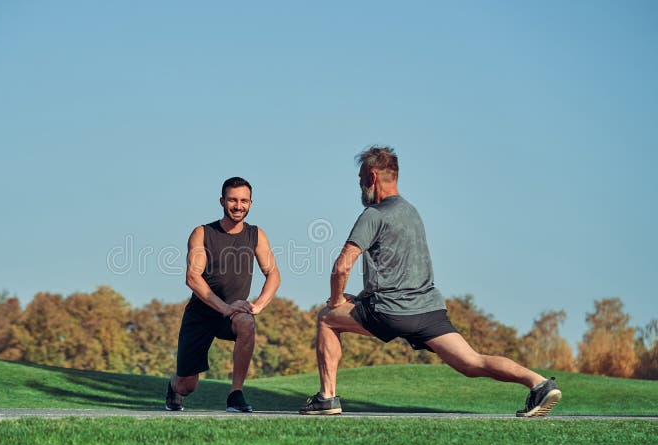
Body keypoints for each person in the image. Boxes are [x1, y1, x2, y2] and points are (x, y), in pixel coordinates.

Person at [299, 146, 562, 417]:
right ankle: (539, 384)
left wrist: (336, 300)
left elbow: (342, 266)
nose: (359, 183)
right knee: (471, 362)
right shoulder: (411, 212)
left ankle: (327, 398)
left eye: (361, 177)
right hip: (428, 311)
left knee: (327, 318)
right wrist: (365, 296)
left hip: (391, 311)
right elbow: (398, 269)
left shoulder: (373, 215)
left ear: (373, 176)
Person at [165, 177, 280, 412]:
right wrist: (224, 307)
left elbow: (273, 274)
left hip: (234, 313)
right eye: (233, 200)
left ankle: (235, 394)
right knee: (188, 386)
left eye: (244, 201)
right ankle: (175, 384)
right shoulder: (202, 233)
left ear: (251, 203)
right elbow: (192, 278)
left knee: (247, 322)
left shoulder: (256, 235)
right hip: (202, 313)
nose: (238, 206)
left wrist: (258, 305)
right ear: (222, 201)